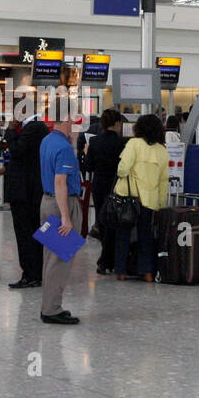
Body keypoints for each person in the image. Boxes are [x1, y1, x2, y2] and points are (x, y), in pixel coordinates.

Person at [37, 103, 83, 324]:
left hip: (46, 203)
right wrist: (66, 216)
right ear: (66, 117)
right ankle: (51, 309)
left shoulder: (47, 141)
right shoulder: (63, 148)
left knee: (50, 258)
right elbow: (60, 182)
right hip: (61, 204)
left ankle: (50, 305)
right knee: (60, 259)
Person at [113, 113, 169, 283]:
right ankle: (147, 272)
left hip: (128, 198)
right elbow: (163, 180)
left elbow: (122, 170)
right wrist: (160, 204)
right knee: (146, 236)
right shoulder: (162, 151)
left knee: (123, 235)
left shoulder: (133, 144)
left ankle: (121, 271)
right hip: (149, 201)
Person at [4, 97, 48, 290]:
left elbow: (17, 151)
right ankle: (34, 272)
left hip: (26, 193)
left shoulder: (33, 129)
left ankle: (31, 274)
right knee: (31, 233)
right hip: (29, 190)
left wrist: (10, 131)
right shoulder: (37, 128)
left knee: (25, 234)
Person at [86, 109, 125, 275]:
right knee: (114, 222)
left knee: (102, 221)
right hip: (116, 184)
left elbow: (88, 166)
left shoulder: (94, 142)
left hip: (99, 184)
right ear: (116, 124)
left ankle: (105, 259)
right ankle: (109, 259)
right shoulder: (122, 143)